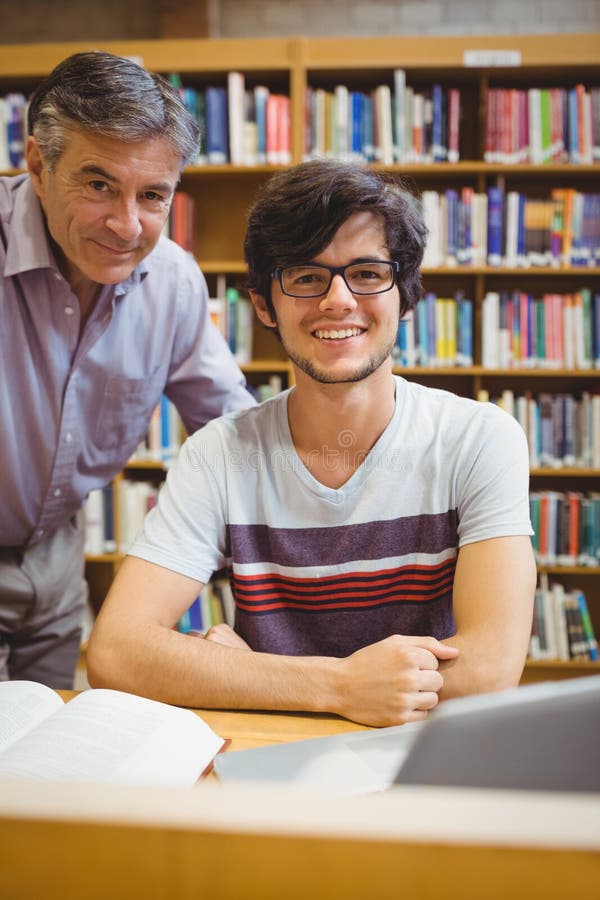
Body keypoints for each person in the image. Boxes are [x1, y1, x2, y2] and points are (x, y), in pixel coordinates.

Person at [87, 159, 536, 727]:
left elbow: (489, 671)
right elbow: (116, 653)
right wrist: (341, 686)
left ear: (406, 293)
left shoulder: (478, 439)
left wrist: (249, 674)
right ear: (264, 304)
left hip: (422, 769)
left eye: (368, 273)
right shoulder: (221, 454)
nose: (338, 300)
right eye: (305, 276)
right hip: (272, 763)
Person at [0, 51, 256, 689]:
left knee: (41, 767)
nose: (126, 224)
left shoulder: (173, 282)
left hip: (56, 563)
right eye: (97, 185)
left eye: (152, 195)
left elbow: (232, 430)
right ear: (37, 164)